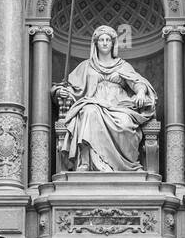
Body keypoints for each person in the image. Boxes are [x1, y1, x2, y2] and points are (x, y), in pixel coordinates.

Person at [56, 25, 156, 173]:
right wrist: (60, 92)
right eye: (101, 40)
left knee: (125, 123)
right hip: (94, 102)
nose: (104, 43)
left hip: (119, 105)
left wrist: (141, 93)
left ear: (113, 43)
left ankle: (128, 165)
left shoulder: (122, 65)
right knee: (89, 112)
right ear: (95, 43)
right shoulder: (86, 66)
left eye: (107, 40)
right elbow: (69, 87)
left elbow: (138, 83)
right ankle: (85, 162)